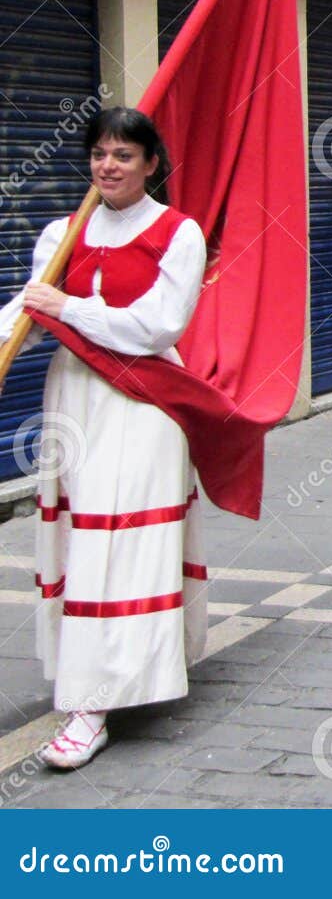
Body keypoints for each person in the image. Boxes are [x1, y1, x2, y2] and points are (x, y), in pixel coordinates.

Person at [0, 109, 207, 769]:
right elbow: (28, 312)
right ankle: (94, 673)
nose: (108, 166)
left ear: (152, 163)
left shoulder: (180, 234)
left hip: (147, 401)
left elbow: (159, 326)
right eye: (99, 154)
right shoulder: (63, 232)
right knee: (82, 537)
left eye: (123, 154)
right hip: (76, 397)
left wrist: (69, 309)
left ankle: (93, 705)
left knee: (127, 539)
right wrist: (22, 320)